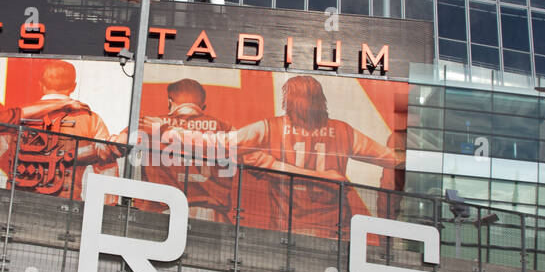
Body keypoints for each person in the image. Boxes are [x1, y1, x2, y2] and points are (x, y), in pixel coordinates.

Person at [221, 74, 402, 236]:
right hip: (336, 228)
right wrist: (423, 159)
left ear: (289, 100)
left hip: (288, 228)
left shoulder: (270, 128)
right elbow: (389, 158)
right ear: (321, 99)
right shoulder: (343, 131)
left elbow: (223, 144)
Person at [0, 59, 118, 199]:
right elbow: (107, 168)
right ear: (73, 86)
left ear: (41, 85)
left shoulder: (21, 116)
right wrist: (107, 211)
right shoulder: (92, 120)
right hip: (67, 208)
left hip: (16, 202)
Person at [118, 77, 236, 222]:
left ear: (169, 102)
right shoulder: (225, 128)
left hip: (164, 212)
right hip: (213, 216)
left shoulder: (148, 124)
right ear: (203, 107)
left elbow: (115, 146)